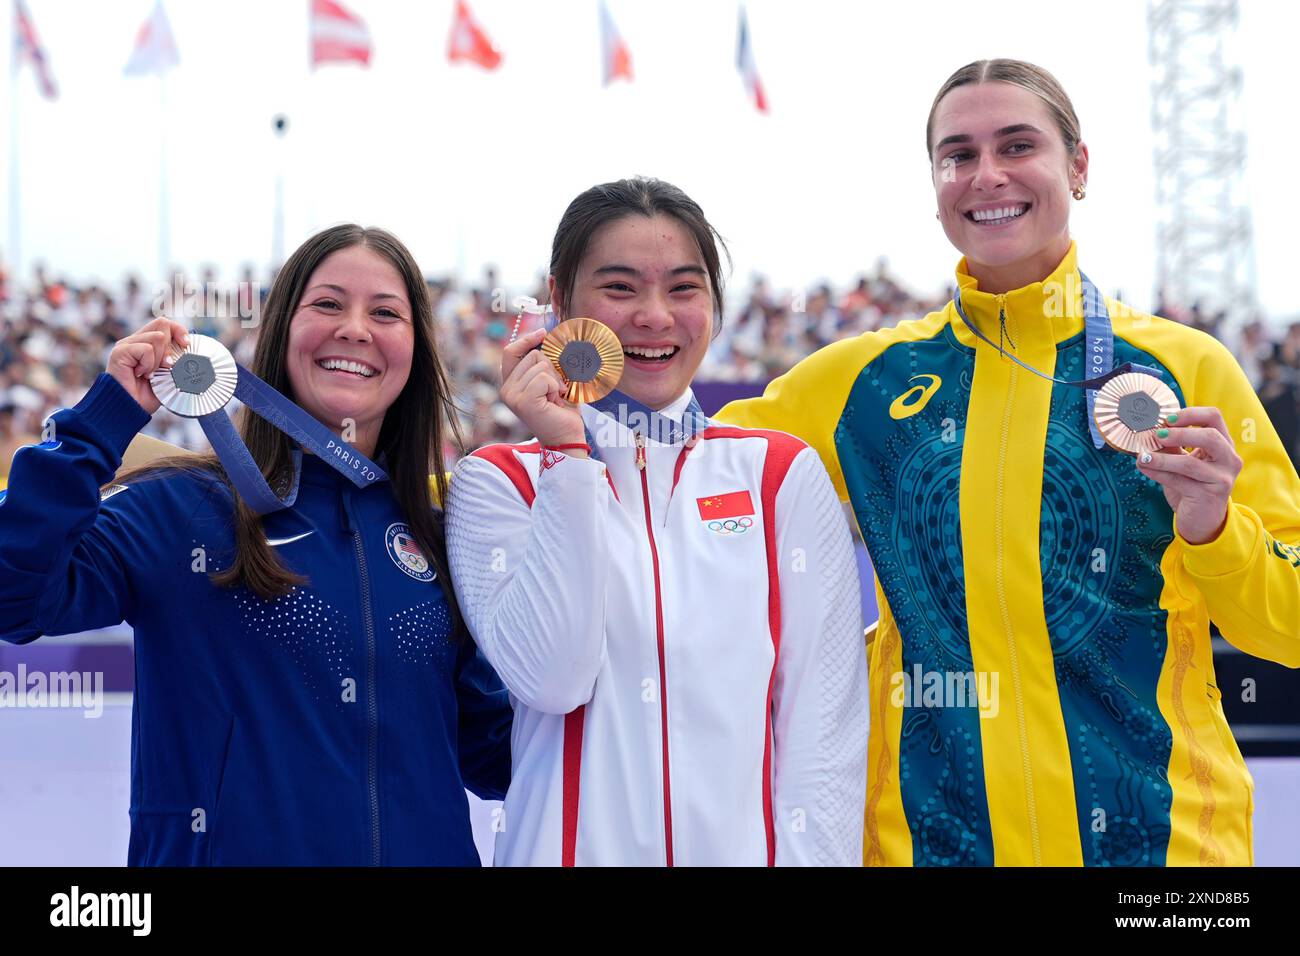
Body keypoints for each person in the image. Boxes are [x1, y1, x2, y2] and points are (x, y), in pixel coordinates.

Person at [718, 59, 1300, 866]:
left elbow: (1290, 626)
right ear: (935, 183)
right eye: (958, 155)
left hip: (1168, 852)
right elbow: (677, 475)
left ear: (1079, 166)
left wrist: (1214, 533)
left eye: (1017, 145)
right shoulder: (859, 383)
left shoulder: (1188, 368)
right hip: (930, 843)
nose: (986, 174)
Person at [0, 224, 512, 865]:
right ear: (280, 335)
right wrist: (98, 426)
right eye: (327, 304)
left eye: (386, 312)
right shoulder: (179, 509)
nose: (355, 327)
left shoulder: (442, 536)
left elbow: (498, 756)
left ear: (416, 352)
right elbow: (11, 599)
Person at [445, 177, 869, 866]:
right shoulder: (501, 482)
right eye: (619, 288)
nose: (654, 316)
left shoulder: (777, 477)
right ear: (560, 301)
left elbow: (826, 740)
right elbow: (553, 676)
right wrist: (568, 456)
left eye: (683, 288)